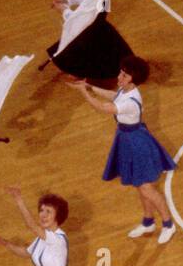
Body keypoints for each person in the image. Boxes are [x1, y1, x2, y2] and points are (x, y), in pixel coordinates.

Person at [66, 56, 176, 244]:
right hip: (128, 139)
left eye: (124, 75)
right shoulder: (127, 91)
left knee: (146, 188)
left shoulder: (130, 102)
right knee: (140, 186)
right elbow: (112, 96)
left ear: (131, 79)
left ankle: (168, 225)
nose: (119, 76)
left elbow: (103, 107)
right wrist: (90, 86)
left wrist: (84, 92)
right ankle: (148, 222)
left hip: (136, 143)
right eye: (121, 72)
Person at [43, 0, 131, 84]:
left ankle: (81, 74)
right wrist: (68, 1)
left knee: (76, 53)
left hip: (90, 31)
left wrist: (63, 10)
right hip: (99, 27)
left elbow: (78, 22)